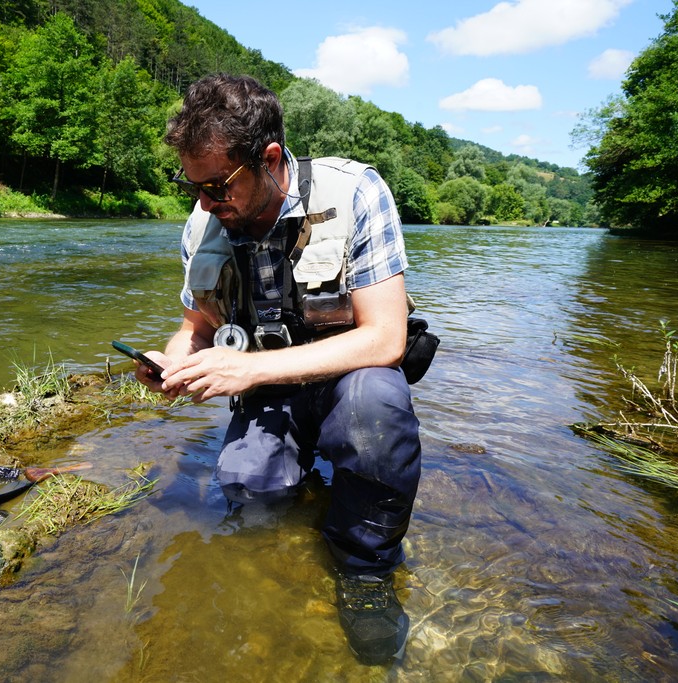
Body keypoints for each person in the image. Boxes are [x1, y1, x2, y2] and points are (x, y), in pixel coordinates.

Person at [134, 73, 421, 666]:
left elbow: (387, 338)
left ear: (268, 159)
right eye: (193, 186)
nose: (206, 203)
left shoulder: (358, 192)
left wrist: (244, 371)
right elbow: (197, 327)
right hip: (267, 390)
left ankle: (365, 573)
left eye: (217, 186)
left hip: (353, 379)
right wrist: (174, 364)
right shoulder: (204, 219)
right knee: (250, 495)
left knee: (375, 409)